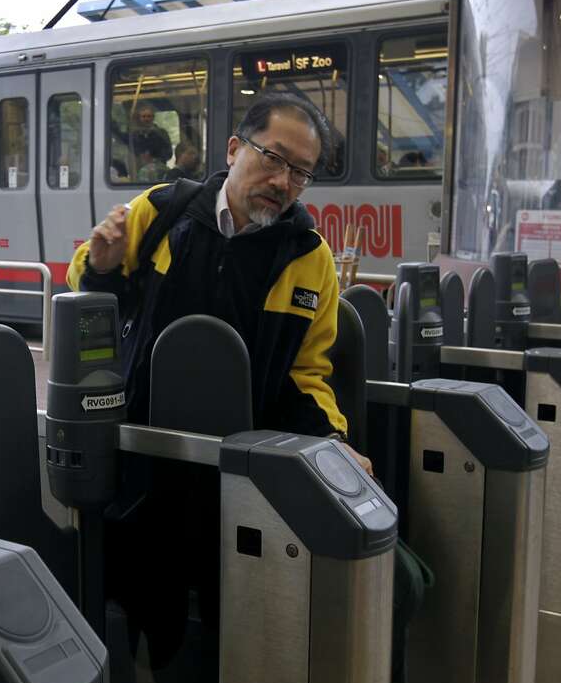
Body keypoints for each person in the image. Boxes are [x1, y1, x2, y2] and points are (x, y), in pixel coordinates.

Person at [68, 92, 367, 469]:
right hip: (139, 450)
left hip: (245, 467)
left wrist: (331, 440)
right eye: (273, 158)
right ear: (233, 149)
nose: (281, 181)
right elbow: (87, 300)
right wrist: (101, 266)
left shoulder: (309, 258)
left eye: (300, 173)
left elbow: (305, 374)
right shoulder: (161, 211)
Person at [128, 102, 173, 169]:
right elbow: (131, 152)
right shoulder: (134, 135)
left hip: (158, 168)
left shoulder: (161, 133)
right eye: (144, 116)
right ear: (139, 118)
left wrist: (154, 159)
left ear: (153, 117)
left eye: (149, 116)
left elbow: (169, 153)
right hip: (139, 169)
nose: (146, 119)